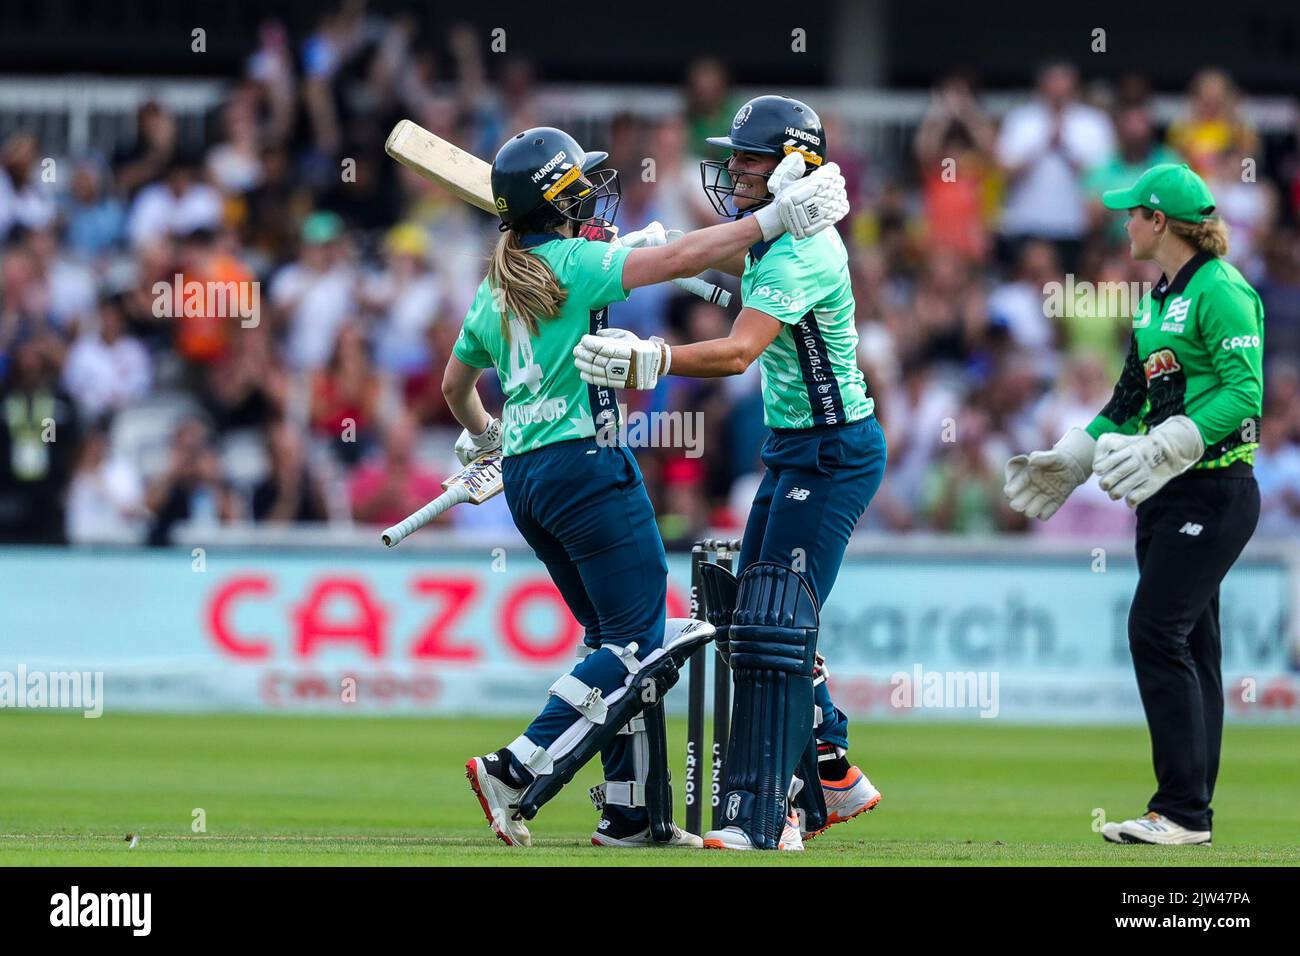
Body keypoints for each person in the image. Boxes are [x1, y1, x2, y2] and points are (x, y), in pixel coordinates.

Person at [445, 126, 847, 849]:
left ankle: (629, 813)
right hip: (588, 469)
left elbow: (455, 386)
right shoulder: (578, 262)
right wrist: (773, 219)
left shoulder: (496, 284)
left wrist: (484, 435)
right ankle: (516, 767)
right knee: (639, 640)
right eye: (583, 182)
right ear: (562, 197)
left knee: (611, 642)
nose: (598, 190)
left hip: (528, 483)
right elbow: (686, 258)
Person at [574, 96, 882, 851]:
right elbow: (710, 262)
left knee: (774, 621)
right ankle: (833, 770)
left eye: (749, 158)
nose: (735, 170)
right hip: (793, 446)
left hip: (834, 452)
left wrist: (655, 357)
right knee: (757, 617)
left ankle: (774, 812)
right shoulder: (776, 238)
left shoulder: (804, 250)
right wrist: (635, 248)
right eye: (735, 156)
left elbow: (740, 350)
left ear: (792, 164)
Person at [1003, 164, 1264, 845]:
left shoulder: (1222, 290)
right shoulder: (1155, 301)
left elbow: (1245, 395)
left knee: (1155, 630)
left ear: (1160, 221)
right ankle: (1191, 814)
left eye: (1132, 214)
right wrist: (1076, 454)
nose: (1123, 223)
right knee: (1194, 646)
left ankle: (1179, 811)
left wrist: (1171, 440)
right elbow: (1127, 402)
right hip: (1165, 490)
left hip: (1215, 486)